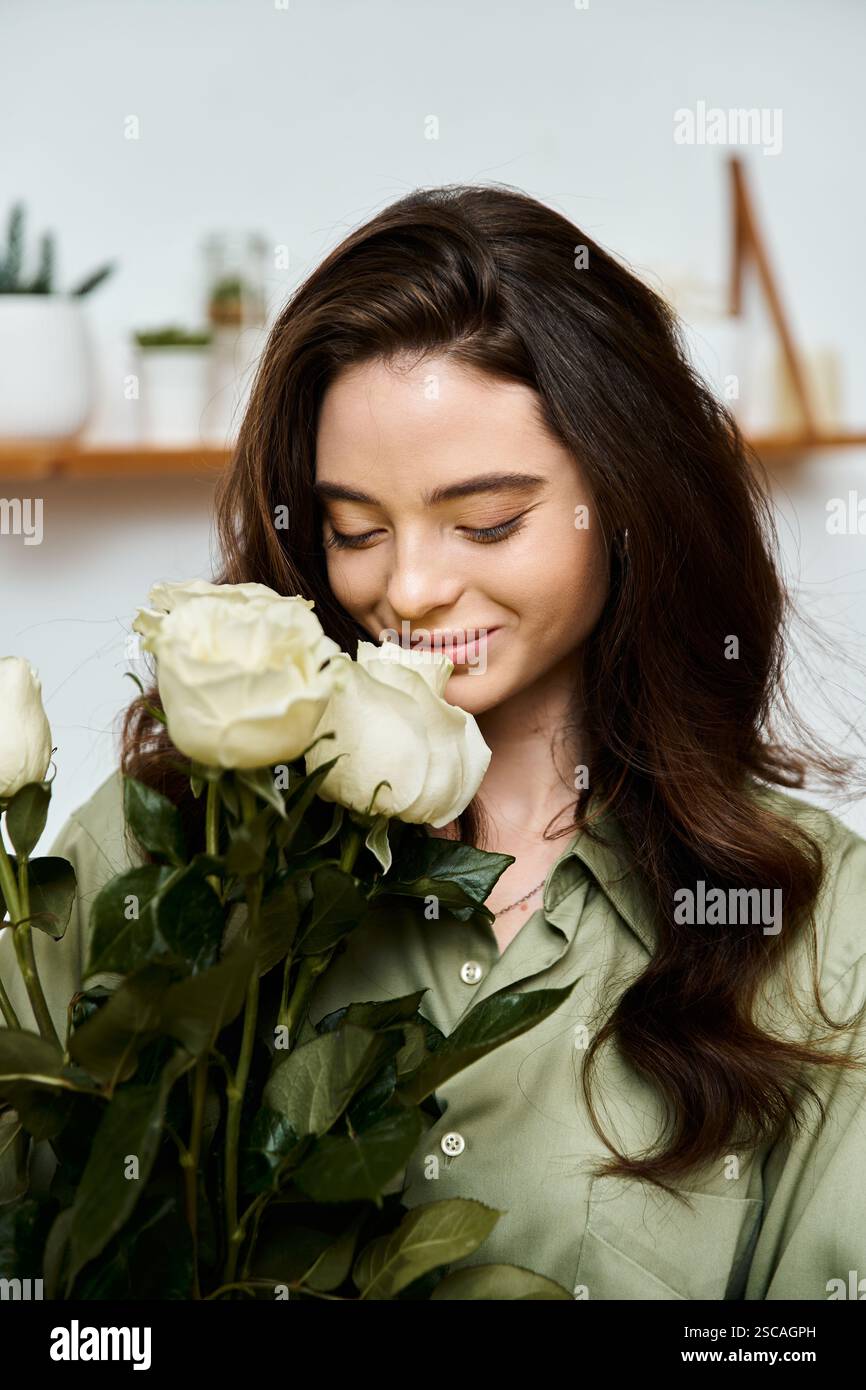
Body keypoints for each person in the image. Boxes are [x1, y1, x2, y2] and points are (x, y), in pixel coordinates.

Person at [3, 184, 866, 1299]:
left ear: (626, 494)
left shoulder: (812, 920)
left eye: (486, 522)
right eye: (354, 528)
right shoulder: (168, 846)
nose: (406, 588)